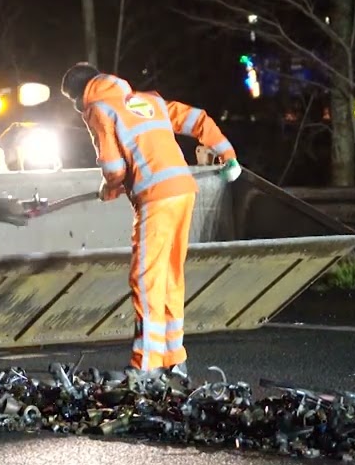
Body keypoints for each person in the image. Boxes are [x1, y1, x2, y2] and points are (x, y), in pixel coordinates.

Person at [59, 62, 242, 381]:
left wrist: (111, 187)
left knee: (145, 278)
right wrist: (228, 155)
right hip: (183, 191)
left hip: (155, 195)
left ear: (80, 96)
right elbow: (197, 119)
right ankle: (174, 357)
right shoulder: (149, 100)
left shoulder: (98, 108)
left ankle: (144, 363)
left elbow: (114, 165)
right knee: (170, 274)